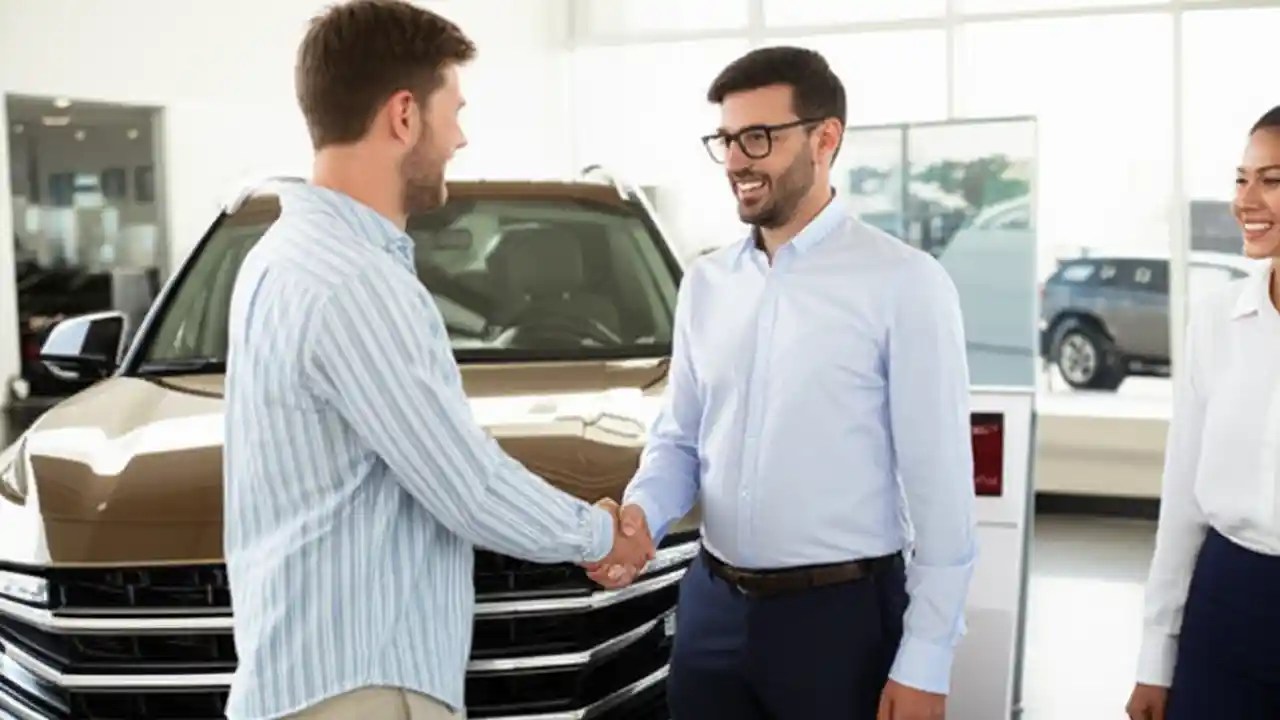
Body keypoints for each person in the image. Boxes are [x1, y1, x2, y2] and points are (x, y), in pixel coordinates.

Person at [221, 2, 652, 719]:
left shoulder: (280, 257)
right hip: (362, 686)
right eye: (452, 110)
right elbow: (466, 486)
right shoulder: (355, 280)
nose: (460, 135)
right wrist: (602, 535)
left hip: (313, 671)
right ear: (402, 115)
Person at [586, 46, 978, 720]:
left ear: (826, 138)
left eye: (759, 138)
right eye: (727, 140)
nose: (737, 159)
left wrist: (927, 660)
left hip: (840, 621)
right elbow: (680, 441)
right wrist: (640, 518)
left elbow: (942, 490)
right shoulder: (706, 284)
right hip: (710, 609)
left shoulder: (903, 284)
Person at [1126, 105, 1280, 720]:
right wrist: (1153, 659)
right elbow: (1182, 496)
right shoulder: (1217, 319)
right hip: (1226, 598)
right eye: (1241, 178)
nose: (1247, 199)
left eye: (1272, 180)